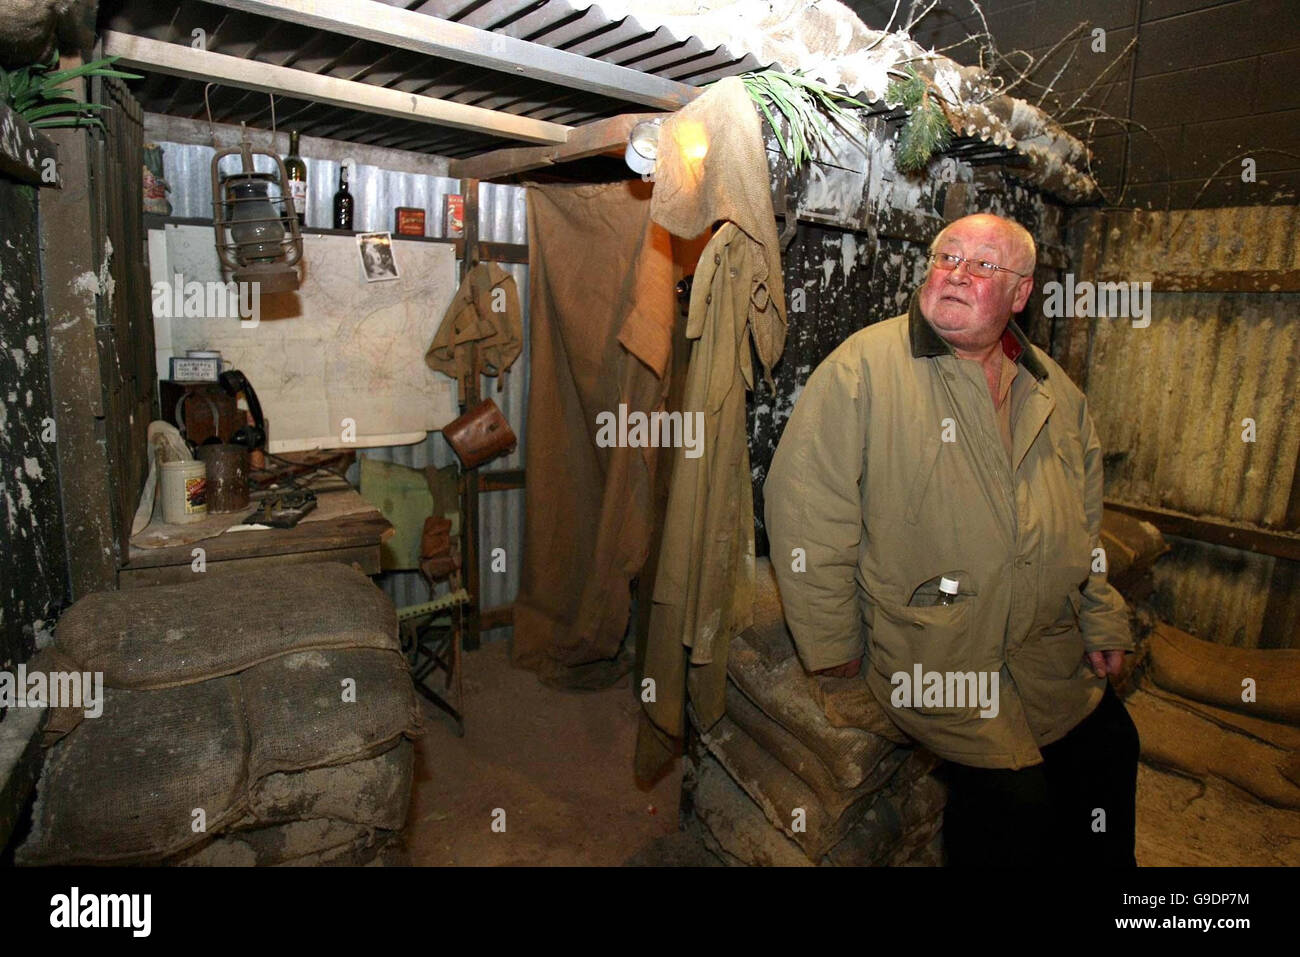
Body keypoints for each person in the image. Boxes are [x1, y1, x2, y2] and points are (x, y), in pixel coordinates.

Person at [764, 213, 1139, 867]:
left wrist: (1100, 614)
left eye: (983, 265)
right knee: (1015, 806)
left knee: (1112, 748)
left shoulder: (1053, 391)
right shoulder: (867, 369)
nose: (957, 273)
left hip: (1043, 648)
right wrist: (831, 646)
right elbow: (806, 509)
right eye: (947, 256)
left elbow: (1081, 520)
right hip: (936, 651)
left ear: (1020, 293)